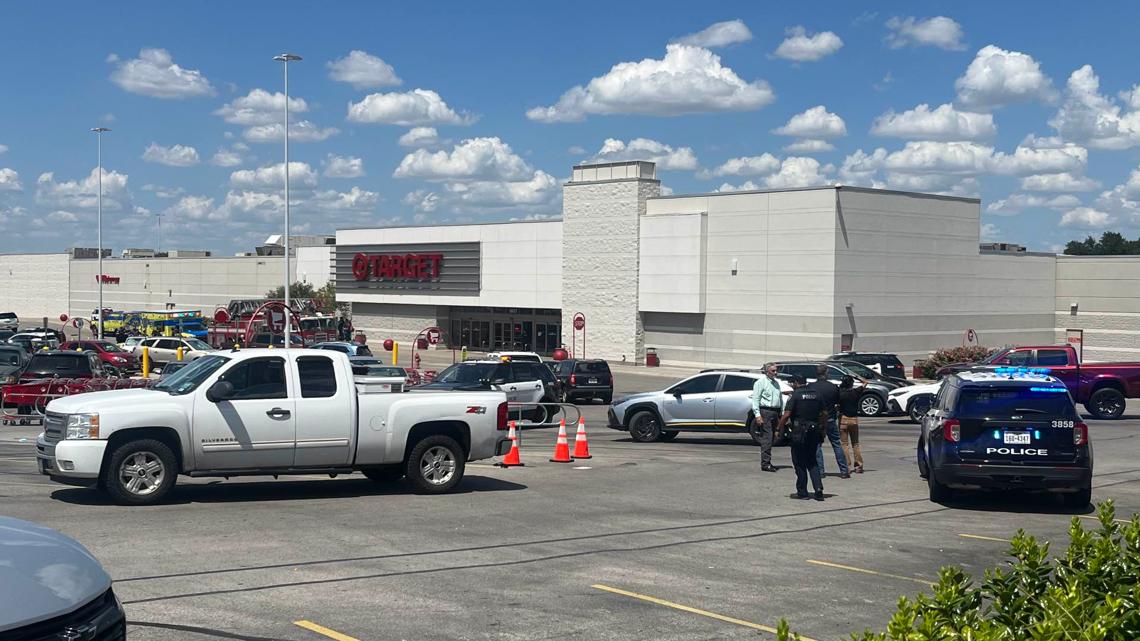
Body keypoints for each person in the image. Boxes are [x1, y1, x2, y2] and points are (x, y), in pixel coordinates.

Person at [776, 376, 825, 501]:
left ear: (797, 383)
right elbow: (825, 413)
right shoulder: (817, 394)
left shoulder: (795, 396)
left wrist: (778, 428)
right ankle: (818, 489)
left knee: (799, 462)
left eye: (793, 383)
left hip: (799, 432)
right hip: (814, 430)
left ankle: (803, 492)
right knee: (812, 461)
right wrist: (822, 428)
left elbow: (786, 414)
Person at [810, 364, 849, 479]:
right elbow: (839, 402)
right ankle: (844, 470)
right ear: (826, 373)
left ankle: (821, 471)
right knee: (836, 444)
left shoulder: (811, 387)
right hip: (831, 418)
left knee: (817, 446)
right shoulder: (833, 387)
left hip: (817, 419)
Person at [750, 363, 784, 472]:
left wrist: (781, 413)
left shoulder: (776, 383)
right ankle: (765, 463)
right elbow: (755, 399)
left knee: (774, 437)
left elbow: (780, 399)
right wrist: (758, 415)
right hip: (765, 411)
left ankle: (767, 461)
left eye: (776, 370)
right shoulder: (760, 383)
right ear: (767, 372)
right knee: (767, 438)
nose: (775, 373)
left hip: (775, 412)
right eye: (773, 371)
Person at [838, 375, 867, 474]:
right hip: (853, 419)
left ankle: (847, 466)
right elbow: (865, 382)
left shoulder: (840, 393)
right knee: (855, 443)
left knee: (844, 444)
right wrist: (857, 376)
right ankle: (858, 466)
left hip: (843, 419)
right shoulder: (856, 392)